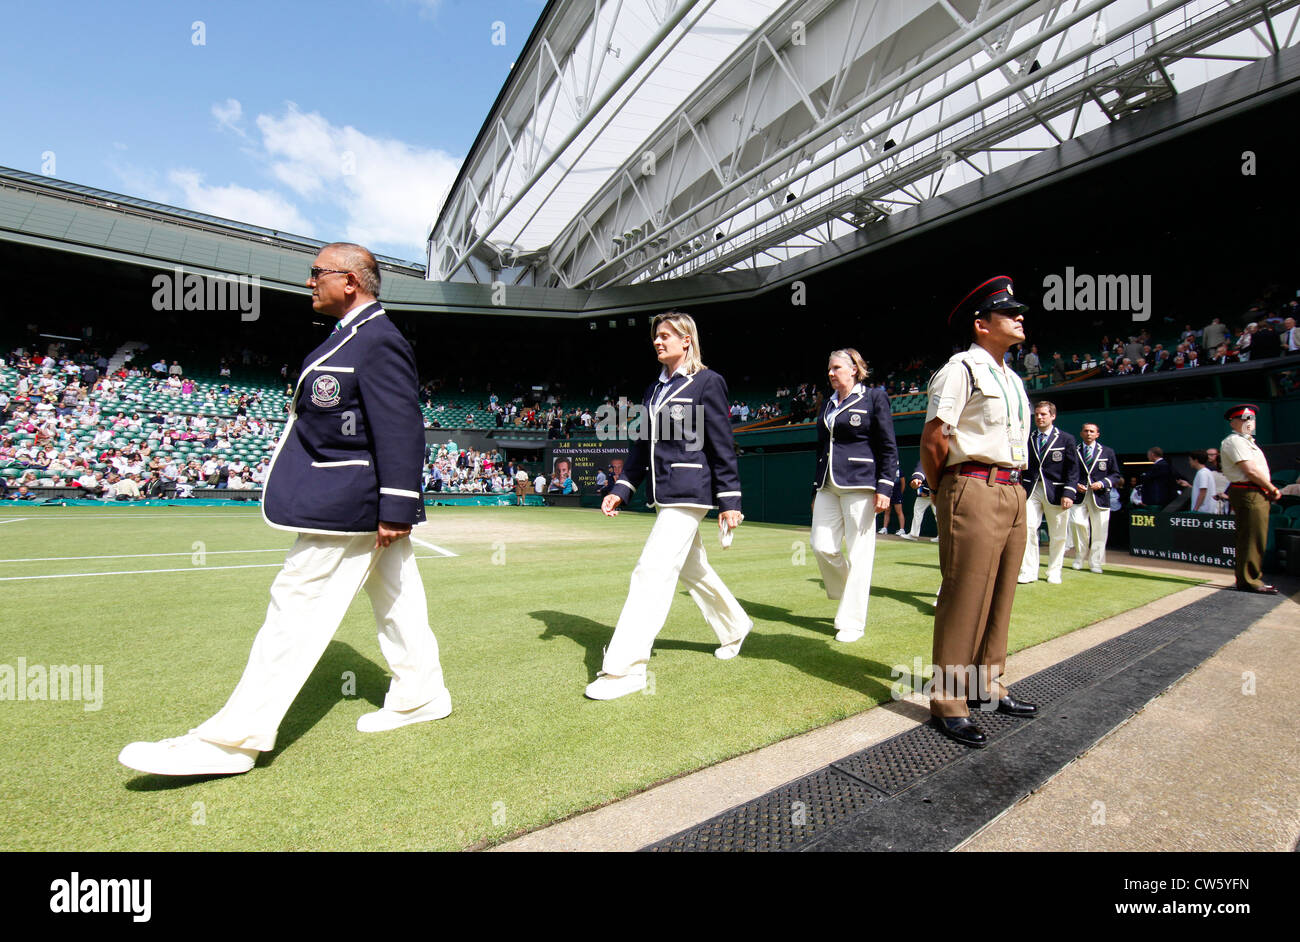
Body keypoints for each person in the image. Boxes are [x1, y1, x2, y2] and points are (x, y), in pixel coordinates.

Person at [119, 243, 451, 777]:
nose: (308, 282)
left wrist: (397, 506)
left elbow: (401, 427)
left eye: (317, 273)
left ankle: (232, 742)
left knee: (294, 608)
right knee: (398, 602)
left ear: (350, 281)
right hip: (353, 499)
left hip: (350, 505)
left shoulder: (379, 340)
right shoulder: (349, 336)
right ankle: (421, 694)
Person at [586, 311, 751, 700]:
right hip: (664, 494)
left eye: (666, 335)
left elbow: (722, 444)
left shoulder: (708, 382)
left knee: (651, 571)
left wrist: (730, 500)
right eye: (656, 336)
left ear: (686, 340)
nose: (658, 341)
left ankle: (626, 669)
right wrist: (621, 487)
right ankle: (735, 626)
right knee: (694, 570)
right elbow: (642, 446)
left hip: (691, 492)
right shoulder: (653, 390)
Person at [919, 275, 1038, 749]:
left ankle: (987, 686)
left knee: (1001, 594)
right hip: (971, 483)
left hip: (1012, 488)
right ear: (981, 323)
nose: (1019, 317)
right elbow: (934, 438)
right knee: (965, 594)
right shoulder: (960, 369)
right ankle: (949, 701)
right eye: (1009, 312)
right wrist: (942, 487)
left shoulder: (1012, 376)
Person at [809, 348, 898, 642]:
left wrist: (885, 486)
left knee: (860, 553)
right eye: (829, 369)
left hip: (861, 483)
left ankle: (852, 621)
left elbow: (887, 445)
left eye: (836, 368)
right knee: (822, 546)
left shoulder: (873, 398)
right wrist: (815, 488)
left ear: (854, 370)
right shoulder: (827, 404)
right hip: (828, 484)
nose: (831, 373)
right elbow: (822, 449)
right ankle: (850, 593)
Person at [1220, 404, 1281, 594]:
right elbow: (1250, 470)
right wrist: (1271, 488)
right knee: (1252, 538)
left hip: (1254, 491)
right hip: (1249, 491)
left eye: (1252, 419)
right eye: (1245, 419)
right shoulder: (1235, 441)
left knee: (1253, 537)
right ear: (1234, 422)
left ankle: (1249, 578)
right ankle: (1250, 580)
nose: (1250, 422)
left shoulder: (1246, 442)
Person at [1017, 400, 1078, 585]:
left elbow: (1073, 469)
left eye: (1043, 414)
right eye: (1036, 414)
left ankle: (1054, 570)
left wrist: (1069, 493)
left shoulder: (1066, 439)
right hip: (1031, 489)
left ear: (1053, 416)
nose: (1039, 417)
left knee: (1058, 534)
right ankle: (1028, 570)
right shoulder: (1028, 436)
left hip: (1057, 491)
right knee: (1027, 528)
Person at [1069, 422, 1121, 573]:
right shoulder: (1074, 451)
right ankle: (1079, 557)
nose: (1089, 433)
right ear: (1081, 433)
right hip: (1079, 495)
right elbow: (1069, 472)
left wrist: (1103, 483)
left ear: (1097, 434)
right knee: (1077, 523)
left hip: (1100, 496)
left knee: (1100, 529)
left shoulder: (1107, 452)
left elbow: (1115, 474)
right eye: (1086, 431)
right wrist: (1075, 484)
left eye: (1092, 431)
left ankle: (1095, 562)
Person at [900, 461, 939, 542]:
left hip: (936, 493)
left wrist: (928, 491)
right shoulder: (923, 461)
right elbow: (920, 472)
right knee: (917, 512)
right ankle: (913, 534)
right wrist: (918, 482)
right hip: (924, 494)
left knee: (938, 515)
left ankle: (942, 536)